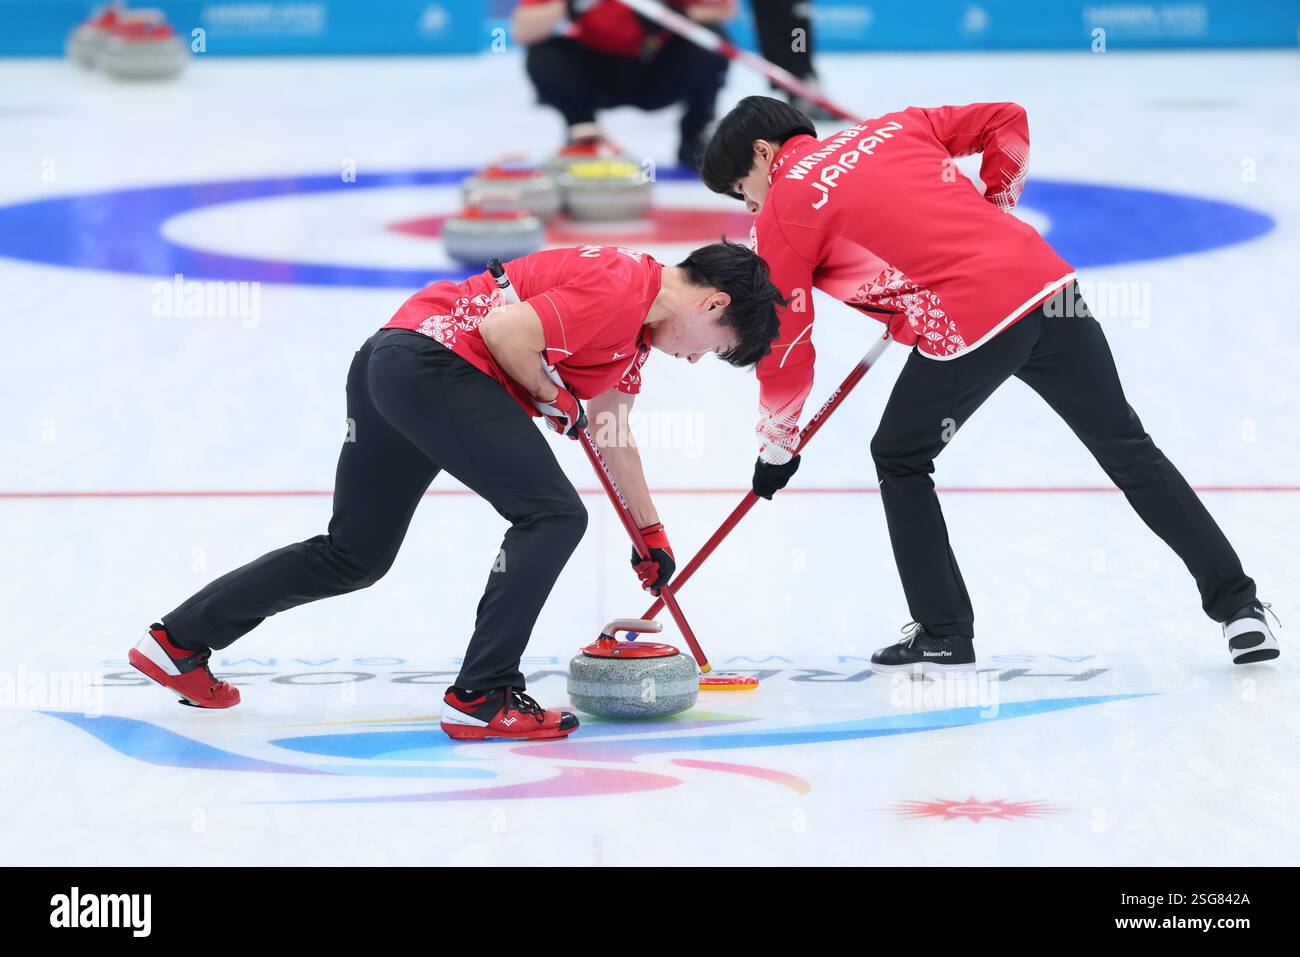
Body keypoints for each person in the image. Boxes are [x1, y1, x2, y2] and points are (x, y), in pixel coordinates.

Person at [698, 95, 1279, 673]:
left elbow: (788, 343)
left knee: (899, 456)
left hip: (973, 320)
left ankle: (944, 631)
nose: (749, 204)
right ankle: (1240, 608)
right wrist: (996, 211)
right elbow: (1009, 120)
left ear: (763, 151)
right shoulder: (894, 126)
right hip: (1047, 289)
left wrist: (777, 445)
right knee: (1129, 449)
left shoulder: (783, 210)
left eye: (741, 187)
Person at [130, 241, 784, 738]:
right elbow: (505, 334)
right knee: (552, 515)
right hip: (435, 365)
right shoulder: (623, 284)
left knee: (355, 551)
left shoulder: (633, 333)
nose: (696, 359)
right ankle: (484, 694)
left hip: (392, 361)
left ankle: (178, 641)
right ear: (712, 304)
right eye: (714, 348)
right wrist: (552, 395)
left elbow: (612, 430)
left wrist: (650, 533)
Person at [511, 0, 736, 169]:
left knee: (710, 41)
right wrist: (572, 5)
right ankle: (585, 136)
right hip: (597, 70)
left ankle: (696, 137)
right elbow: (523, 30)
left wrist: (674, 13)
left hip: (657, 66)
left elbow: (725, 9)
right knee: (544, 56)